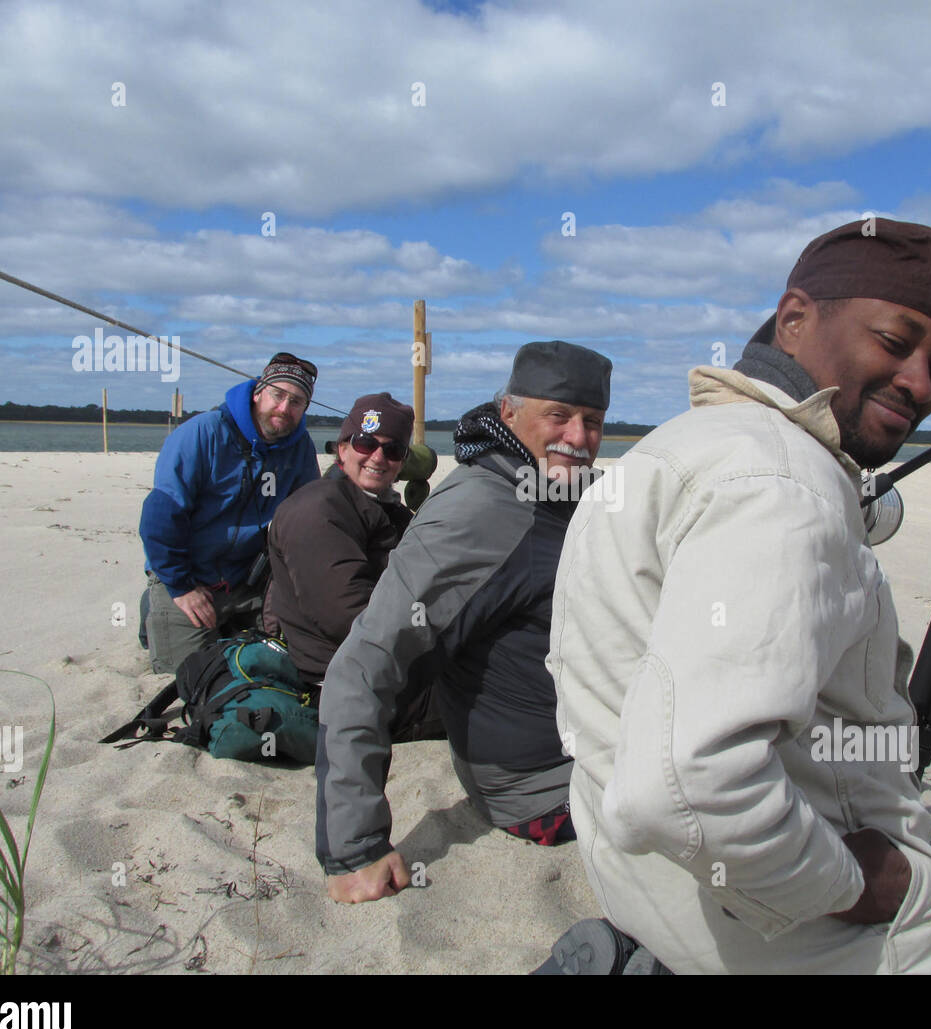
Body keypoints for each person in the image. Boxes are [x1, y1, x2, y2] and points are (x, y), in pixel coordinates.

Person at [547, 219, 931, 974]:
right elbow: (686, 784)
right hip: (768, 917)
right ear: (794, 321)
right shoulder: (783, 483)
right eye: (894, 341)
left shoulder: (685, 443)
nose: (921, 383)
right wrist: (859, 881)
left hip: (638, 878)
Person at [317, 340, 612, 904]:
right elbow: (364, 662)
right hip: (542, 785)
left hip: (574, 750)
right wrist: (354, 847)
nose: (578, 437)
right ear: (509, 412)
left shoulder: (556, 489)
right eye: (558, 416)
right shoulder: (480, 510)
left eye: (592, 421)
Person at [140, 352, 320, 675]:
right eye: (278, 395)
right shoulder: (201, 434)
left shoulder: (301, 448)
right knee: (194, 679)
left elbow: (308, 520)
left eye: (296, 402)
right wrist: (181, 588)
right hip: (187, 578)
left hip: (250, 582)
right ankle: (154, 608)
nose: (284, 408)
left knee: (284, 665)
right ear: (258, 392)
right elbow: (159, 518)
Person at [264, 392, 416, 688]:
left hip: (384, 658)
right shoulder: (317, 510)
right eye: (365, 443)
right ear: (343, 449)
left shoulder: (388, 510)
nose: (378, 457)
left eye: (393, 450)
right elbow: (347, 615)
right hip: (343, 676)